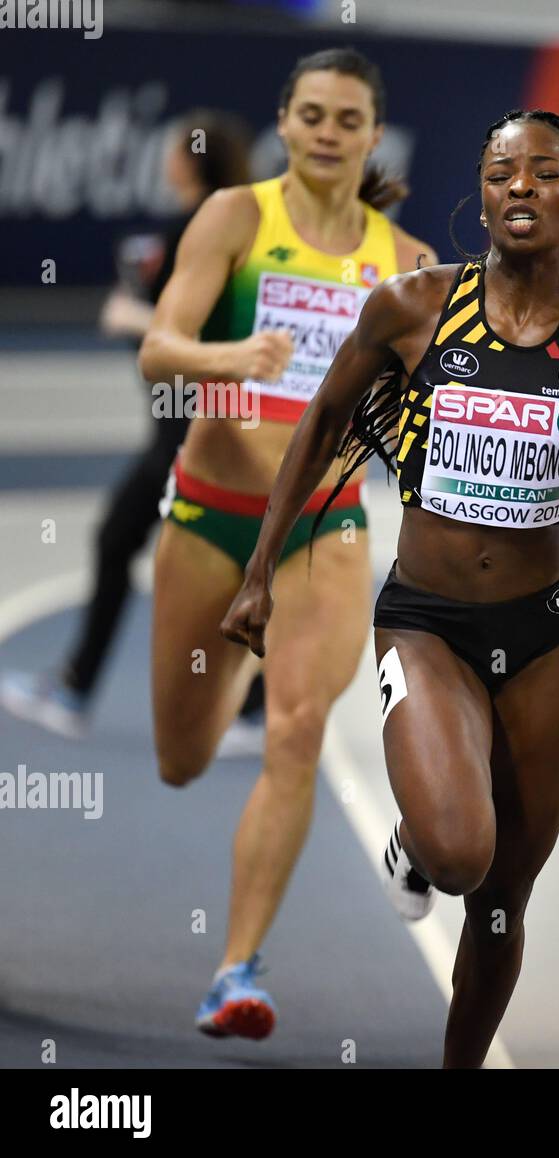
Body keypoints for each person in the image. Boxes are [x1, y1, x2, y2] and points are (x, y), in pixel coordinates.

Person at [219, 108, 559, 1068]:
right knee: (458, 853)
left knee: (503, 901)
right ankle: (419, 839)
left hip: (546, 635)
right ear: (480, 195)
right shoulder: (411, 307)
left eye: (544, 173)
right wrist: (260, 567)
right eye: (502, 172)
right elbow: (322, 421)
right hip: (427, 623)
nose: (521, 188)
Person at [138, 48, 434, 1040]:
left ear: (371, 135)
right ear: (285, 120)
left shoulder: (402, 264)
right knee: (182, 755)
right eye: (310, 114)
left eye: (346, 119)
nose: (326, 132)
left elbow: (432, 407)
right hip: (212, 514)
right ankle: (225, 664)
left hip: (323, 524)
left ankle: (237, 969)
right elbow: (158, 347)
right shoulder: (236, 217)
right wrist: (234, 356)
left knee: (299, 732)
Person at [1, 111, 267, 750]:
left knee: (133, 542)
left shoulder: (200, 227)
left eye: (177, 148)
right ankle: (252, 706)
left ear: (194, 160)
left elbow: (196, 327)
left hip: (189, 430)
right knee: (217, 558)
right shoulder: (225, 223)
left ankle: (77, 688)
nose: (167, 157)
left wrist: (131, 317)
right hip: (202, 423)